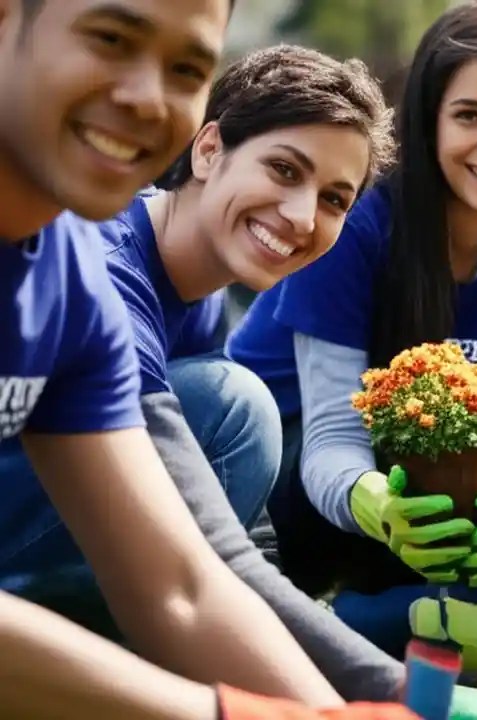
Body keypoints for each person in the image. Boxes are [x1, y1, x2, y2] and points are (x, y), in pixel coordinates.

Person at [0, 0, 424, 717]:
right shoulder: (110, 268)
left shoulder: (72, 271)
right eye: (110, 37)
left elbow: (190, 580)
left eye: (187, 67)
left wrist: (363, 705)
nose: (144, 96)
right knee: (235, 405)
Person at [226, 0, 477, 661]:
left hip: (420, 480)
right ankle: (371, 613)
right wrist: (379, 508)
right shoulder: (357, 223)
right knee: (396, 474)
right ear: (427, 122)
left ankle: (424, 609)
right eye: (469, 115)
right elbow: (332, 437)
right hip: (292, 477)